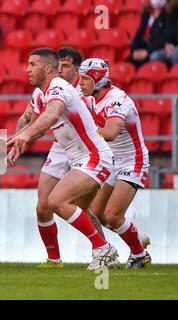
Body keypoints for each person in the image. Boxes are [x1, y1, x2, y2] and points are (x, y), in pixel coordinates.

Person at [7, 48, 118, 270]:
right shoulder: (41, 92)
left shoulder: (59, 87)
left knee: (57, 201)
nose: (27, 69)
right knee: (45, 205)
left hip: (94, 156)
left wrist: (25, 136)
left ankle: (103, 248)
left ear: (48, 68)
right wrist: (17, 140)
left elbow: (52, 115)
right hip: (74, 155)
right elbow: (33, 122)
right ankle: (56, 260)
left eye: (32, 64)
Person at [80, 58, 152, 268]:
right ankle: (136, 238)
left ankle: (139, 255)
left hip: (133, 161)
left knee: (112, 215)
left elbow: (111, 132)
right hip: (113, 161)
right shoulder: (92, 97)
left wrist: (86, 135)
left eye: (85, 79)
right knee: (98, 214)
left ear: (97, 80)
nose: (80, 83)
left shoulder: (119, 100)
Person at [130, 0, 177, 66]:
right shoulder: (147, 12)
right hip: (143, 47)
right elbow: (138, 34)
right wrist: (134, 50)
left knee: (155, 56)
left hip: (154, 48)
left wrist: (147, 51)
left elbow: (165, 36)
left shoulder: (169, 12)